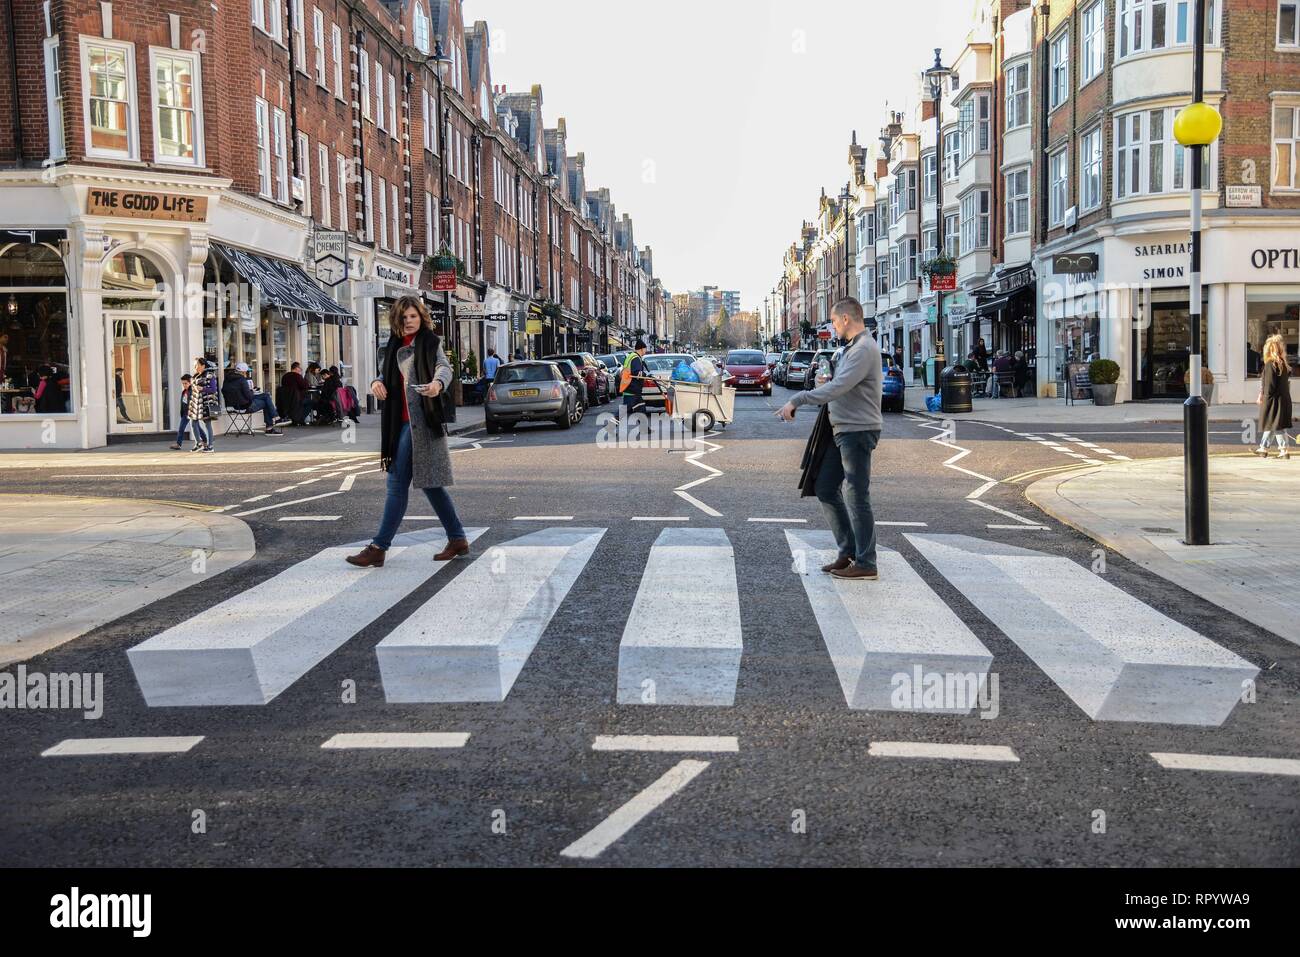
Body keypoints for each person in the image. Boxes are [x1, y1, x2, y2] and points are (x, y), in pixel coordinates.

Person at [347, 296, 469, 568]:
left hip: (421, 423)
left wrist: (438, 384)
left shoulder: (430, 342)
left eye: (413, 316)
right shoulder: (390, 347)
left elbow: (444, 367)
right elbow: (384, 375)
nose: (409, 321)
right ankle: (457, 537)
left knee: (396, 484)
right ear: (396, 321)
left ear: (421, 317)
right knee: (431, 486)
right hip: (398, 422)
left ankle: (379, 547)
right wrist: (376, 382)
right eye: (404, 318)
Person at [776, 298, 883, 582]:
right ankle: (848, 551)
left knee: (857, 495)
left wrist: (798, 399)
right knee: (825, 486)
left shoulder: (863, 349)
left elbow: (838, 387)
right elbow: (840, 384)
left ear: (846, 319)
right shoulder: (850, 349)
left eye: (835, 322)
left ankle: (866, 561)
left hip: (858, 430)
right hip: (842, 429)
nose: (834, 327)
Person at [1256, 334, 1293, 461]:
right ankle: (1263, 448)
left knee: (1276, 425)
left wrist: (1263, 398)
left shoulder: (1270, 364)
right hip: (1283, 399)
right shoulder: (1283, 364)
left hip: (1274, 400)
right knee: (1273, 424)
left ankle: (1284, 450)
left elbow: (1270, 386)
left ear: (1269, 349)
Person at [222, 362, 285, 435]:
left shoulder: (226, 379)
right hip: (244, 407)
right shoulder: (242, 380)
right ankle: (273, 422)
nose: (246, 373)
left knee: (265, 397)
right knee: (266, 399)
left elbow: (225, 391)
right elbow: (249, 396)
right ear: (243, 372)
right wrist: (252, 391)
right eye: (246, 372)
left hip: (231, 406)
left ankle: (275, 419)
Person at [188, 357, 219, 452]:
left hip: (206, 403)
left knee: (207, 424)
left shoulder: (210, 375)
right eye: (194, 365)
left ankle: (210, 446)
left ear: (203, 365)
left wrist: (203, 389)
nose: (195, 367)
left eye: (196, 365)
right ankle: (199, 443)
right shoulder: (195, 376)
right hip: (195, 404)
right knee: (193, 422)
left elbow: (213, 389)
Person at [623, 340, 649, 415]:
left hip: (632, 389)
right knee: (623, 412)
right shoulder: (635, 358)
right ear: (641, 349)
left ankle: (644, 426)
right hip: (632, 389)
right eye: (645, 349)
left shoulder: (632, 356)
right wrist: (644, 375)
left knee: (641, 409)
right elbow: (637, 373)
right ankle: (611, 423)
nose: (645, 351)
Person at [169, 373, 194, 450]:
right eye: (183, 384)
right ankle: (178, 444)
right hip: (185, 413)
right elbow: (183, 403)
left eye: (186, 383)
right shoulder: (184, 392)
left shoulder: (192, 391)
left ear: (190, 382)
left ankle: (205, 440)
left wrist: (192, 411)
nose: (184, 385)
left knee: (197, 428)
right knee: (181, 428)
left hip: (191, 412)